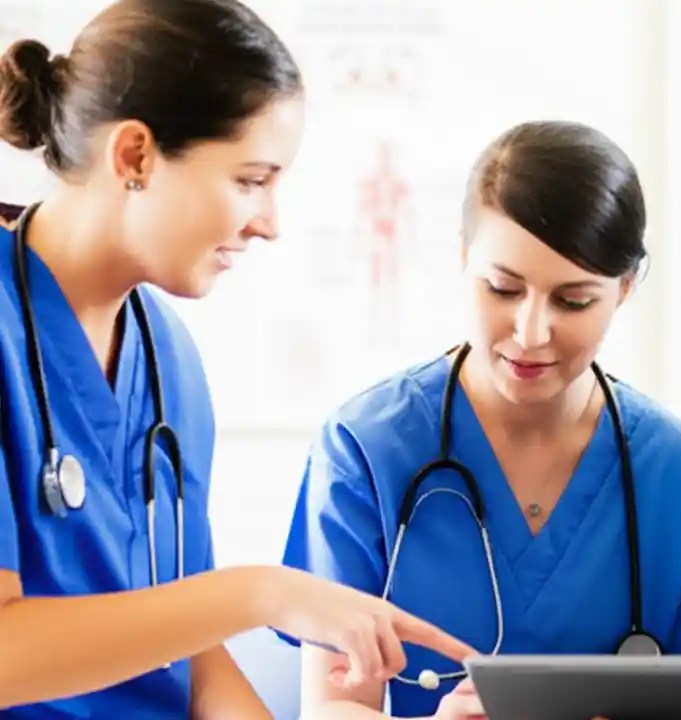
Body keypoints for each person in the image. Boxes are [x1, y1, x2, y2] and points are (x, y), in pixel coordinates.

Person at [0, 1, 473, 717]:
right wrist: (262, 593)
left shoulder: (169, 360)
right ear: (135, 156)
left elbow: (190, 653)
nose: (270, 224)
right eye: (252, 180)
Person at [281, 119, 681, 719]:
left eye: (573, 300)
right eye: (502, 289)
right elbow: (330, 707)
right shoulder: (367, 448)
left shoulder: (668, 468)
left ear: (623, 288)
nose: (531, 332)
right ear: (464, 256)